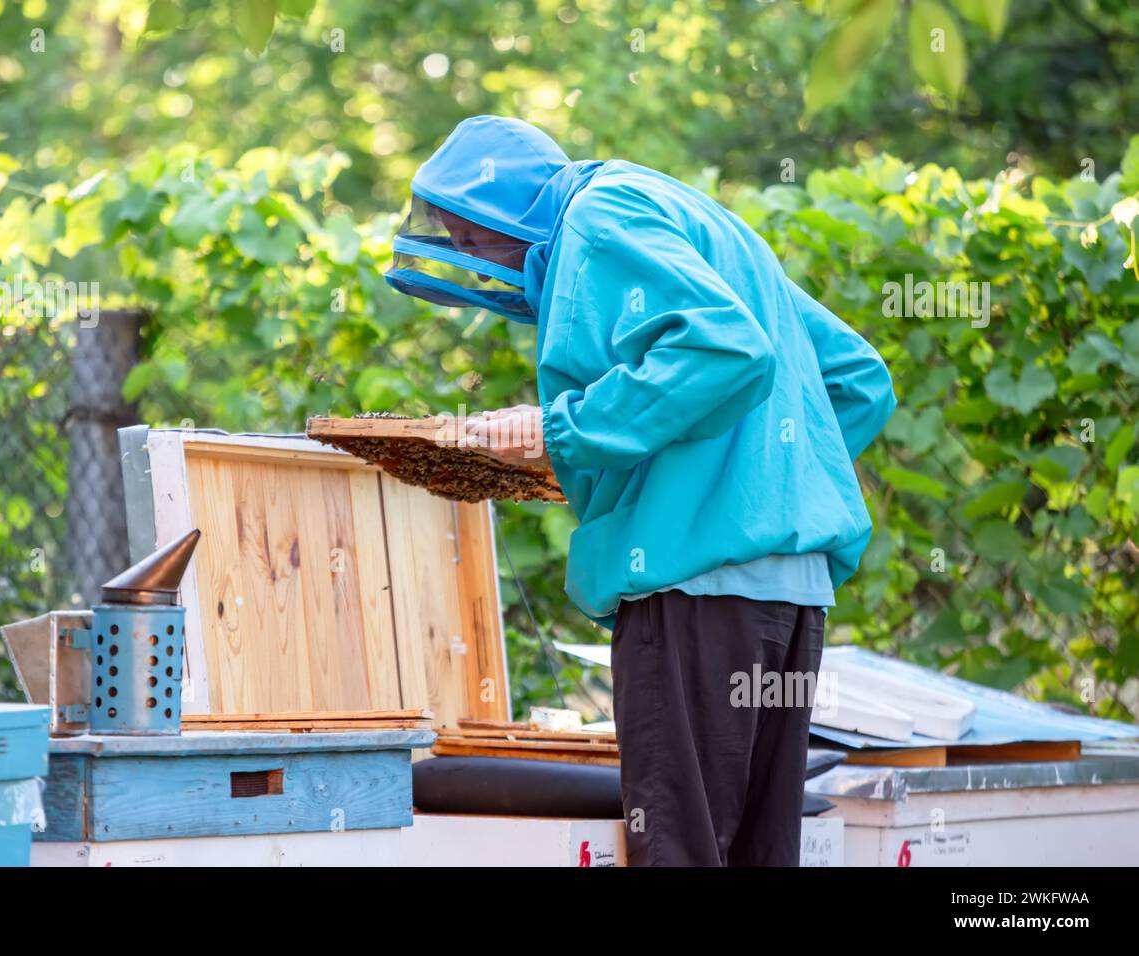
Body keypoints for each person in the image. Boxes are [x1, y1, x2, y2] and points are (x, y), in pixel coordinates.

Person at [384, 115, 895, 866]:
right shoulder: (696, 219)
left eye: (470, 240)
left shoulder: (596, 217)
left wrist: (558, 432)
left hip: (693, 598)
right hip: (789, 599)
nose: (473, 261)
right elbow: (855, 379)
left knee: (678, 852)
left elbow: (726, 349)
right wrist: (742, 479)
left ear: (513, 208)